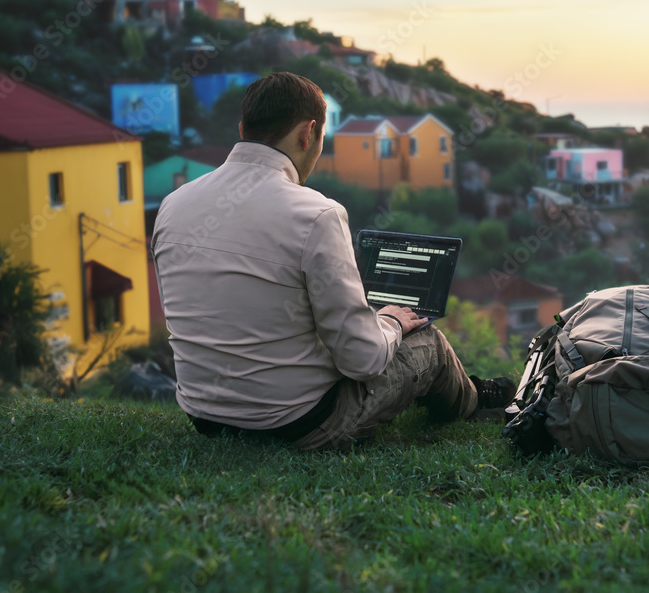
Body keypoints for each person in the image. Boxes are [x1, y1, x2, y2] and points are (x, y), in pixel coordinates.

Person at [151, 72, 516, 450]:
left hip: (205, 416)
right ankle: (475, 404)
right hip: (297, 424)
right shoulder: (316, 214)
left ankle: (468, 391)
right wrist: (389, 320)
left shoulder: (174, 204)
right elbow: (362, 360)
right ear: (308, 133)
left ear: (243, 128)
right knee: (427, 341)